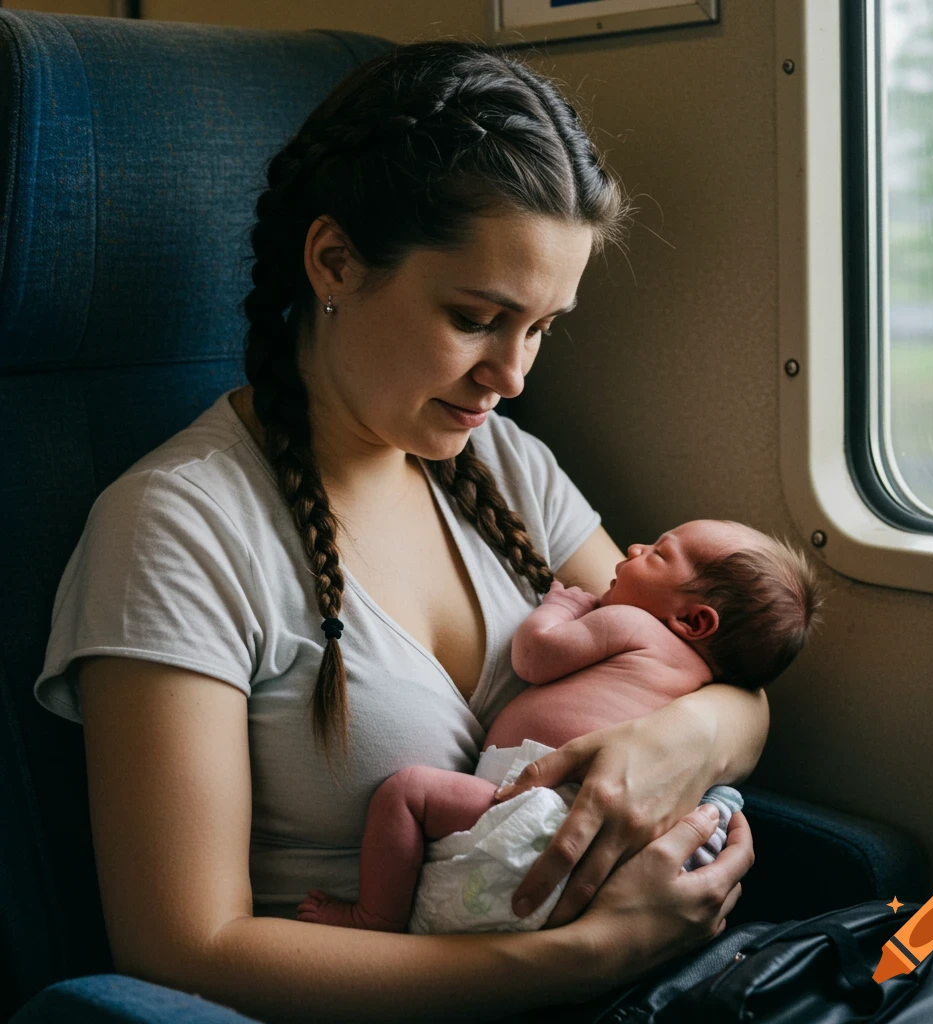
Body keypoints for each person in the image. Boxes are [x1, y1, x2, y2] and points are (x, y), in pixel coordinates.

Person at [32, 39, 768, 1024]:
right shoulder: (179, 528)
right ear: (334, 261)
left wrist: (691, 735)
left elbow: (708, 672)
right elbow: (180, 946)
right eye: (477, 318)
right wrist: (587, 954)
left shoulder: (504, 466)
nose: (512, 376)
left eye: (542, 328)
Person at [296, 520, 821, 936]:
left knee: (407, 795)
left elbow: (534, 656)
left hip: (543, 806)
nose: (635, 548)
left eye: (659, 553)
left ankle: (375, 919)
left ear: (693, 621)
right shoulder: (699, 681)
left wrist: (561, 607)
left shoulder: (633, 625)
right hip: (605, 846)